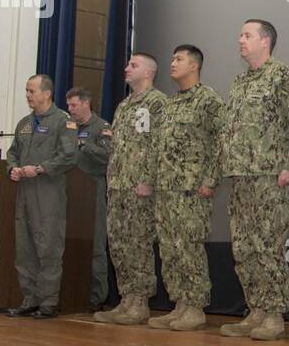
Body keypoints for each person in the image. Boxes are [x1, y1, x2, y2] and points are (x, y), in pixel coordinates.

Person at [219, 20, 289, 342]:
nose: (240, 40)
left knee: (267, 246)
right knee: (244, 248)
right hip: (241, 177)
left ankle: (274, 314)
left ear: (266, 41)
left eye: (247, 35)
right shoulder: (239, 82)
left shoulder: (281, 75)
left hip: (271, 178)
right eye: (240, 34)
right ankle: (255, 310)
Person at [151, 44, 227, 331]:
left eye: (179, 59)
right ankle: (179, 304)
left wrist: (210, 180)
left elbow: (223, 140)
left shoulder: (208, 100)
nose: (172, 63)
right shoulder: (170, 103)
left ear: (194, 65)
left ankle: (195, 307)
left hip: (192, 189)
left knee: (189, 247)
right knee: (170, 250)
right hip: (167, 189)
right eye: (172, 58)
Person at [94, 53, 168, 326]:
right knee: (119, 243)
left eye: (133, 65)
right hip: (118, 186)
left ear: (148, 72)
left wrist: (148, 179)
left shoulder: (157, 103)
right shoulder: (124, 106)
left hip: (140, 187)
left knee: (138, 242)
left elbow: (158, 145)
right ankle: (126, 299)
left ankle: (140, 302)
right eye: (127, 64)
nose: (127, 68)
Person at [5, 74, 77, 319]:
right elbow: (13, 151)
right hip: (24, 192)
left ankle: (48, 301)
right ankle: (30, 299)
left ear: (46, 93)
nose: (27, 95)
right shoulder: (25, 123)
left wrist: (40, 168)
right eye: (26, 90)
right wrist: (12, 167)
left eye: (31, 91)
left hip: (48, 191)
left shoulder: (62, 122)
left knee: (48, 246)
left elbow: (68, 156)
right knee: (25, 247)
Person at [66, 86, 111, 311]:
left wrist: (84, 145)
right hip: (69, 192)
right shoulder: (67, 127)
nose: (70, 109)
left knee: (95, 246)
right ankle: (71, 292)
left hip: (93, 190)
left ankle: (96, 297)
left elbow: (107, 156)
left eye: (73, 105)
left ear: (86, 103)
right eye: (68, 106)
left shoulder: (101, 127)